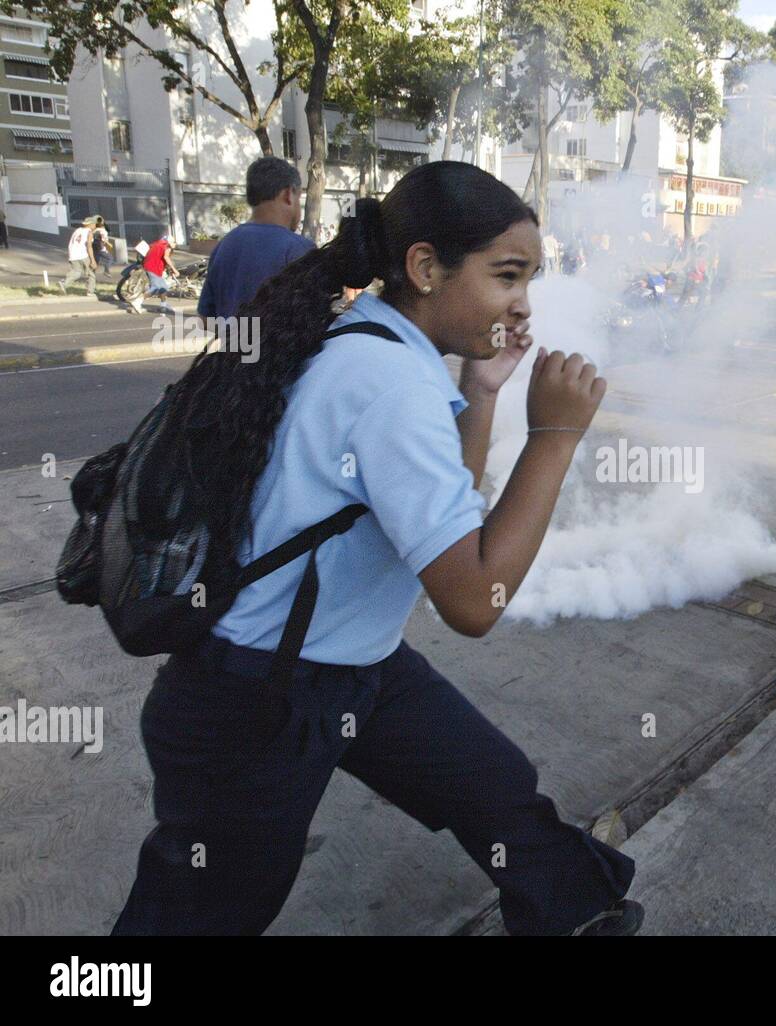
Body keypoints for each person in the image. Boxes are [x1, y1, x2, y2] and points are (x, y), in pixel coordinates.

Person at [110, 160, 641, 937]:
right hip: (259, 695)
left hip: (350, 665)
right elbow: (472, 599)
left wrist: (485, 390)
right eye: (506, 276)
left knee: (493, 789)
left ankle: (578, 915)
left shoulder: (375, 343)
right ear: (425, 267)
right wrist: (555, 437)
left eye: (529, 280)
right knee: (201, 912)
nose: (522, 304)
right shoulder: (388, 380)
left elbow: (435, 523)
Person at [199, 156, 315, 320]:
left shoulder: (223, 246)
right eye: (299, 199)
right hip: (282, 346)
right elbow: (313, 319)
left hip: (233, 345)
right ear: (289, 194)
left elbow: (205, 319)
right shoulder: (299, 249)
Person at [132, 233, 179, 314]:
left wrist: (167, 268)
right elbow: (166, 257)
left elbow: (159, 256)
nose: (175, 244)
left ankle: (163, 305)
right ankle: (137, 301)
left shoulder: (157, 244)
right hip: (153, 268)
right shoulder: (166, 246)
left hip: (151, 266)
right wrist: (174, 270)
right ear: (169, 241)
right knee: (156, 288)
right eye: (174, 242)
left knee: (163, 287)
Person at [58, 218, 98, 297]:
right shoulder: (89, 233)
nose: (95, 226)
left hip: (73, 255)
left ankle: (64, 283)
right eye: (94, 224)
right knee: (91, 274)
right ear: (91, 225)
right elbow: (89, 246)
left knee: (76, 272)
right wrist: (93, 260)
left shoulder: (77, 230)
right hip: (83, 255)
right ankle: (90, 291)